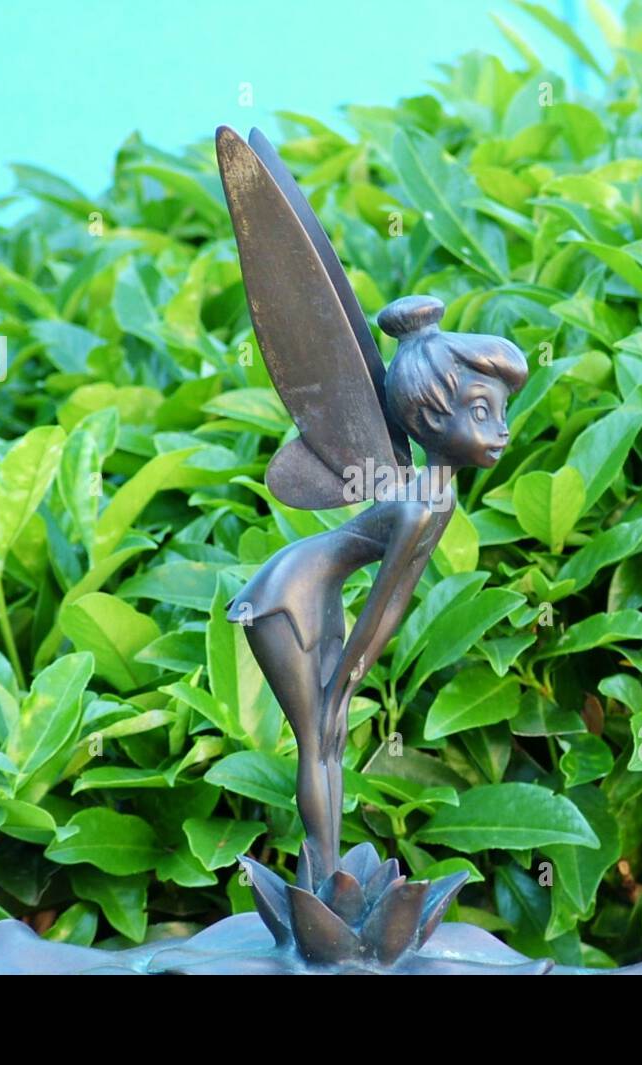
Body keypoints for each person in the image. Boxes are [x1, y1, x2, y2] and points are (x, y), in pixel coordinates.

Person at [226, 294, 527, 890]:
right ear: (433, 419)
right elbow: (385, 602)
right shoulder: (421, 504)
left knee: (329, 743)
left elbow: (390, 605)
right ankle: (318, 883)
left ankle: (327, 879)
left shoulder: (435, 495)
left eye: (502, 412)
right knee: (319, 738)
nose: (502, 431)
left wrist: (348, 683)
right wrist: (344, 685)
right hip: (287, 595)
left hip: (318, 591)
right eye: (482, 412)